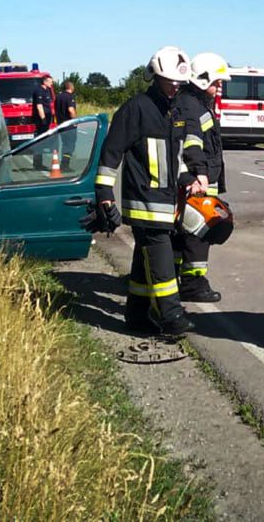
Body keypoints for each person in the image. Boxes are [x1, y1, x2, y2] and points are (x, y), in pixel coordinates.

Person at [95, 47, 194, 337]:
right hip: (144, 200)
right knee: (160, 254)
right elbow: (111, 151)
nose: (176, 85)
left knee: (143, 261)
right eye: (170, 80)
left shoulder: (173, 110)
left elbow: (172, 157)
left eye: (179, 81)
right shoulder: (136, 108)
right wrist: (103, 191)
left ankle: (137, 316)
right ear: (155, 76)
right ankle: (171, 315)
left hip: (164, 199)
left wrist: (186, 176)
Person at [172, 51, 232, 303]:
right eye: (217, 82)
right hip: (197, 182)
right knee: (198, 233)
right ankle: (193, 283)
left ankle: (175, 277)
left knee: (183, 232)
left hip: (201, 178)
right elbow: (192, 145)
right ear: (203, 80)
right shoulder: (190, 106)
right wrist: (199, 174)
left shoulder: (195, 103)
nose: (220, 87)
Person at [30, 74, 55, 169]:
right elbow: (39, 106)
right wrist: (43, 119)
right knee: (39, 141)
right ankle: (37, 163)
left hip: (47, 119)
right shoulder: (39, 91)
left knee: (43, 141)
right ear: (45, 81)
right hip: (41, 121)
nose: (52, 83)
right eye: (50, 81)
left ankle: (39, 162)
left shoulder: (47, 91)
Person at [54, 79, 78, 167]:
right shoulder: (70, 97)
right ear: (71, 87)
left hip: (61, 124)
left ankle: (64, 163)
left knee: (64, 144)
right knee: (70, 145)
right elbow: (71, 110)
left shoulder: (58, 97)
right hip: (69, 125)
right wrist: (75, 121)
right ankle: (65, 164)